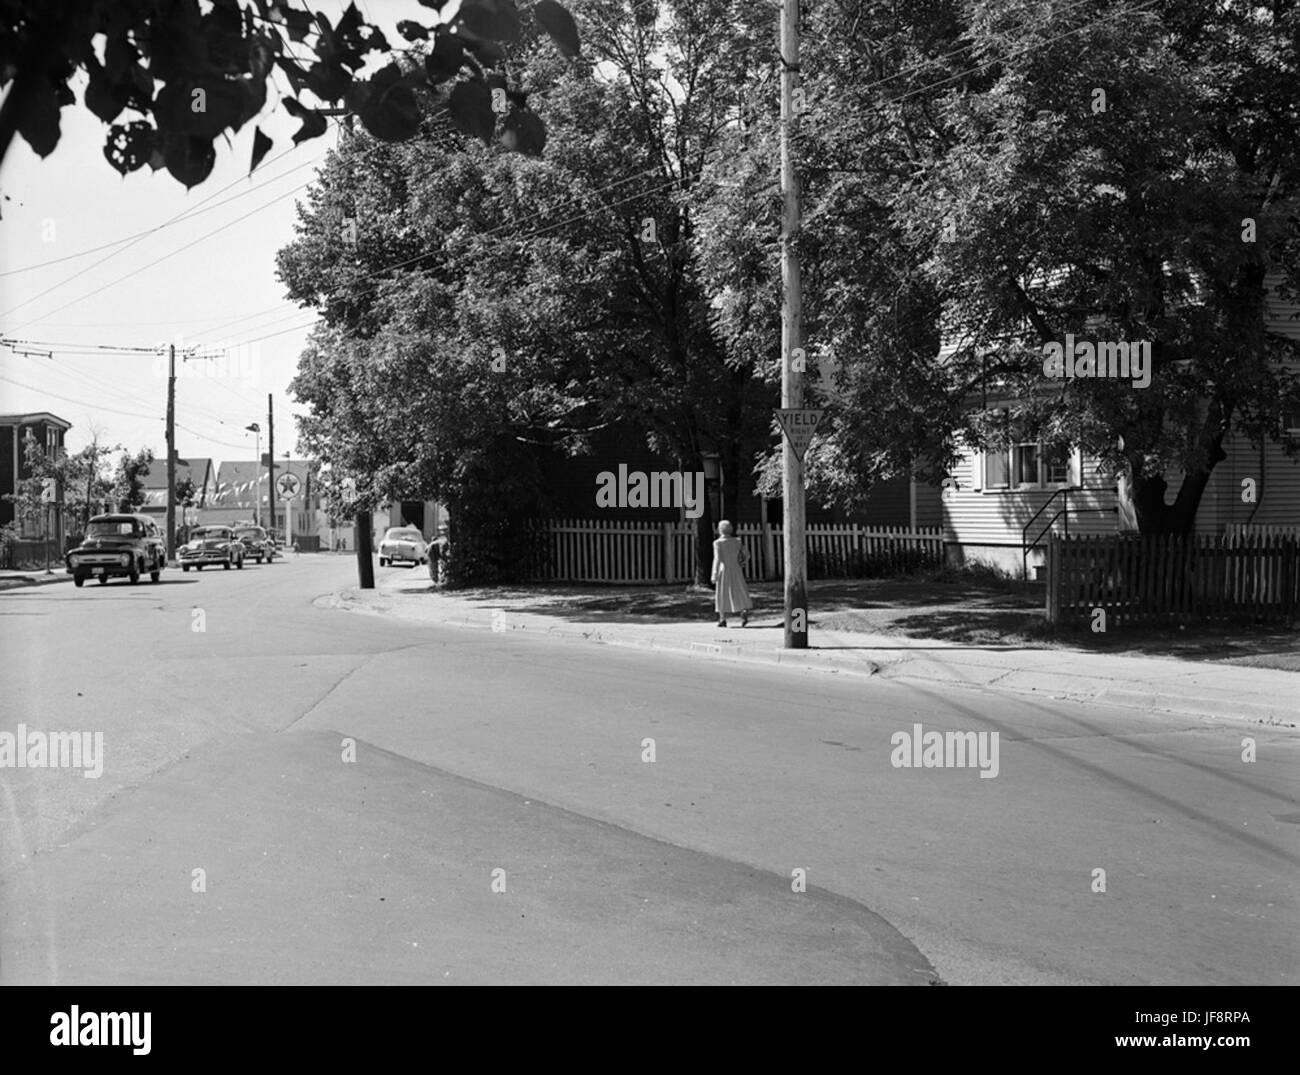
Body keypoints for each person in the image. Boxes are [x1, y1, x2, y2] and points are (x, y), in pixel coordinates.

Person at [710, 519, 751, 628]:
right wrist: (742, 562)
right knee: (739, 590)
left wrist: (714, 573)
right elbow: (746, 554)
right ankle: (743, 611)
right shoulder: (737, 541)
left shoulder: (717, 543)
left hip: (724, 570)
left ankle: (722, 618)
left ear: (720, 530)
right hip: (736, 569)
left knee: (722, 593)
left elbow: (717, 559)